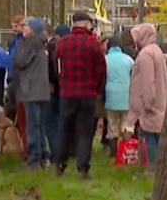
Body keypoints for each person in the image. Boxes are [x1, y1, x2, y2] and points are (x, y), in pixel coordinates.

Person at [53, 12, 107, 178]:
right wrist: (96, 89)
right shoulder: (94, 44)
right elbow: (101, 69)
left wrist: (62, 82)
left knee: (64, 128)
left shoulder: (62, 43)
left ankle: (60, 164)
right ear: (86, 24)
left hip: (67, 91)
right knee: (85, 131)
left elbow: (57, 65)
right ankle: (83, 166)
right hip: (87, 92)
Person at [125, 23, 167, 165]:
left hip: (151, 103)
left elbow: (147, 80)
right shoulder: (157, 51)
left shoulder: (145, 55)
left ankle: (153, 167)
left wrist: (148, 103)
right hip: (161, 100)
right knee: (159, 135)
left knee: (150, 135)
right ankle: (161, 165)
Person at [12, 17, 51, 169]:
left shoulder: (30, 44)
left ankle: (34, 158)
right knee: (40, 125)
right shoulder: (41, 44)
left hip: (31, 90)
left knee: (32, 126)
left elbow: (19, 61)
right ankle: (43, 155)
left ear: (33, 29)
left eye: (26, 26)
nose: (23, 29)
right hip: (41, 90)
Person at [104, 35, 135, 158]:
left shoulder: (105, 59)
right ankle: (126, 152)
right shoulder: (128, 60)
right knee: (126, 124)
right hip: (126, 96)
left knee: (112, 125)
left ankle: (113, 153)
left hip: (110, 96)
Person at [45, 24, 69, 162]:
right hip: (67, 89)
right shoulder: (70, 48)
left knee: (51, 122)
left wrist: (54, 82)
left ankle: (56, 153)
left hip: (54, 89)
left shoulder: (53, 47)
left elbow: (54, 71)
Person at [6, 14, 28, 155]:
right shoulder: (14, 42)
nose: (13, 29)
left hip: (20, 82)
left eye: (16, 26)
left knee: (23, 117)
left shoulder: (24, 42)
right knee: (15, 114)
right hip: (13, 80)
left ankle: (26, 147)